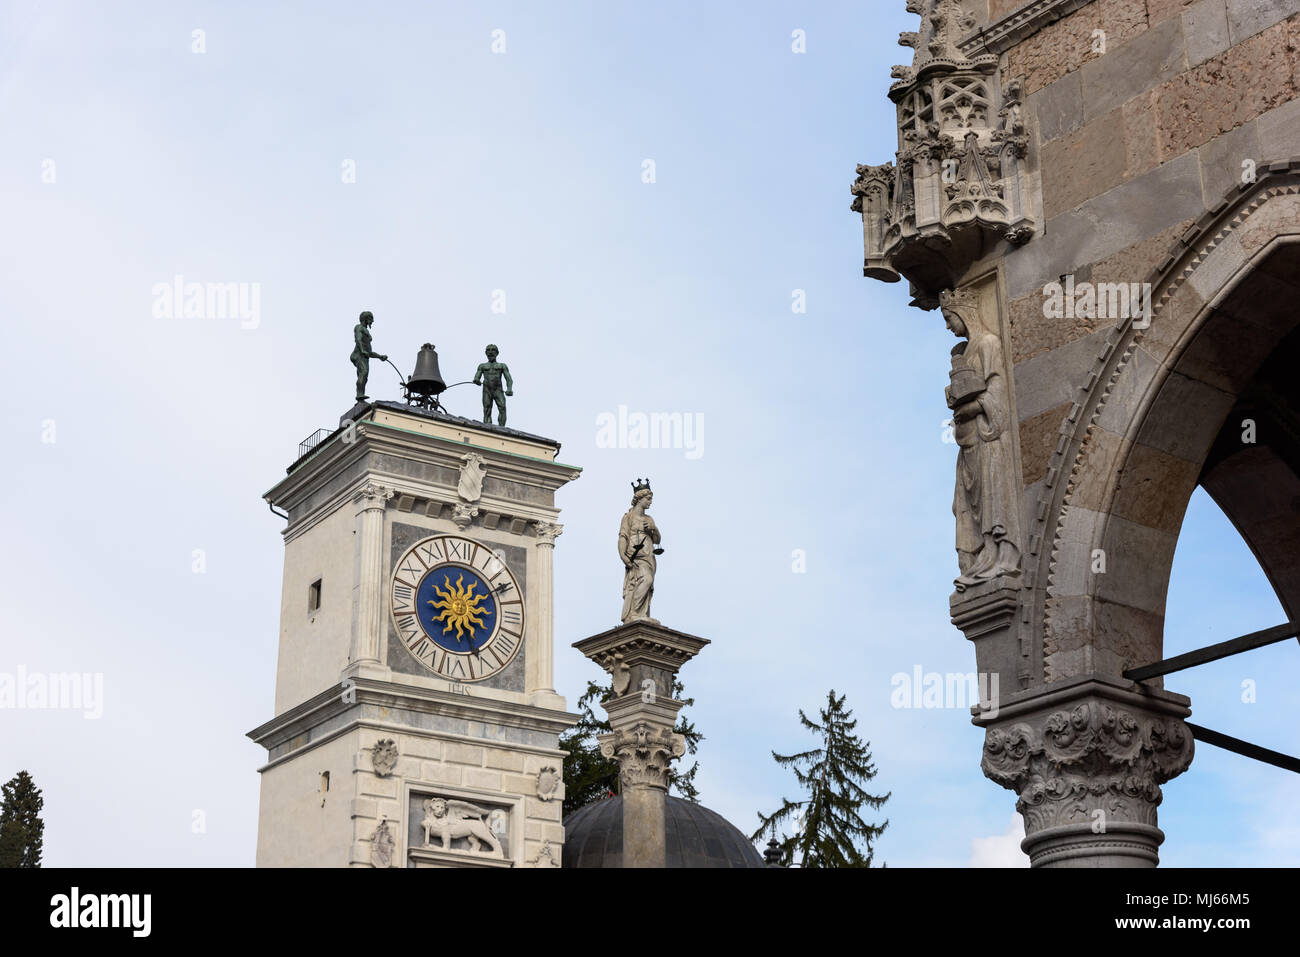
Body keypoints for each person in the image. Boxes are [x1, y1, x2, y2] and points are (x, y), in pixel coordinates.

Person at [618, 481, 661, 624]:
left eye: (651, 499)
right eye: (648, 499)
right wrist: (623, 555)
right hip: (636, 556)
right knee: (645, 580)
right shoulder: (628, 517)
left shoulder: (649, 519)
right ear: (639, 499)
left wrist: (654, 529)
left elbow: (657, 539)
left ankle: (642, 613)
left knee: (648, 584)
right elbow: (623, 537)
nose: (650, 502)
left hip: (649, 556)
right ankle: (635, 613)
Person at [350, 311, 387, 401]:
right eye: (371, 319)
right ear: (365, 319)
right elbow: (358, 339)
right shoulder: (359, 327)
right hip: (358, 355)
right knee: (364, 372)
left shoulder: (366, 330)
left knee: (364, 377)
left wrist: (380, 356)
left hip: (364, 356)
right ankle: (359, 394)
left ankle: (361, 394)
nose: (372, 321)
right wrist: (362, 350)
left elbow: (369, 352)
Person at [473, 344, 513, 426]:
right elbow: (477, 377)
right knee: (487, 409)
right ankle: (487, 427)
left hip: (498, 389)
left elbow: (509, 378)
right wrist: (476, 380)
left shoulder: (502, 365)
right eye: (488, 350)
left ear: (497, 353)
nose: (490, 352)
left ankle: (502, 428)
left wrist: (509, 388)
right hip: (487, 389)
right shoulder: (482, 366)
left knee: (502, 407)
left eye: (493, 350)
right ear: (486, 353)